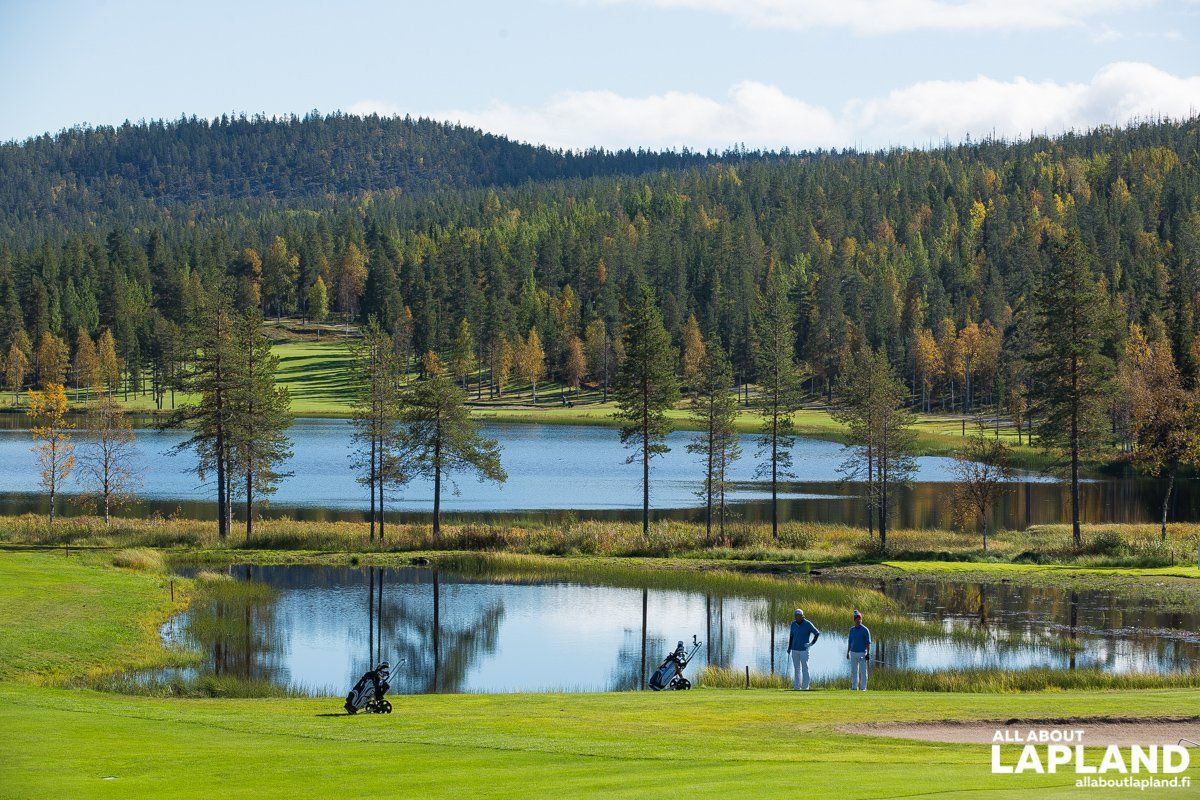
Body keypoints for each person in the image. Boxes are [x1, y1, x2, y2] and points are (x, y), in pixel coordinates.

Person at [787, 608, 820, 690]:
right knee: (796, 668)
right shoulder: (793, 624)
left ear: (802, 616)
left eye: (798, 616)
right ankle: (796, 687)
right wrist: (789, 647)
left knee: (805, 668)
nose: (797, 617)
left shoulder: (807, 624)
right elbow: (791, 636)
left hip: (804, 650)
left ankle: (805, 687)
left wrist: (811, 644)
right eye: (796, 616)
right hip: (794, 649)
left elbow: (817, 633)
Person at [846, 610, 871, 690]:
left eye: (859, 619)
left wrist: (868, 653)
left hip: (862, 653)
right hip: (853, 653)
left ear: (861, 620)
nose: (858, 621)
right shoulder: (852, 630)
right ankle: (854, 687)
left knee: (863, 671)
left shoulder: (865, 630)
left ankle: (863, 688)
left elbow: (868, 643)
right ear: (854, 620)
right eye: (856, 619)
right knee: (854, 671)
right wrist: (848, 652)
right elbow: (850, 642)